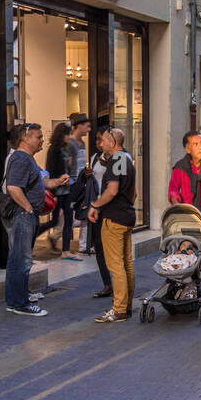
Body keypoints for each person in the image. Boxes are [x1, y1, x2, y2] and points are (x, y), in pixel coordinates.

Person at [2, 123, 69, 316]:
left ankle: (21, 296)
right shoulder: (21, 159)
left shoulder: (27, 159)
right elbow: (13, 188)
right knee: (20, 260)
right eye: (38, 137)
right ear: (25, 138)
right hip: (21, 215)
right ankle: (18, 303)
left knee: (22, 259)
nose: (42, 140)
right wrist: (28, 208)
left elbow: (41, 181)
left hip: (25, 215)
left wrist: (56, 182)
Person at [87, 128, 136, 323]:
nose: (101, 144)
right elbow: (134, 194)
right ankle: (126, 306)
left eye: (105, 140)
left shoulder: (116, 160)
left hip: (114, 218)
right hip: (127, 216)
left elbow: (112, 190)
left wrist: (95, 204)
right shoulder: (126, 159)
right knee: (126, 264)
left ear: (113, 141)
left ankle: (119, 309)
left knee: (115, 265)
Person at [168, 132, 201, 238]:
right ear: (187, 149)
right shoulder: (180, 167)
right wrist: (177, 206)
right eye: (195, 144)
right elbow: (173, 190)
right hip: (188, 213)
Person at [86, 127, 112, 299]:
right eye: (96, 140)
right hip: (96, 207)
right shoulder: (95, 157)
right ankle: (107, 284)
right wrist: (86, 174)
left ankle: (121, 285)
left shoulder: (120, 158)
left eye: (100, 139)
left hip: (111, 208)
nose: (98, 143)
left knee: (114, 249)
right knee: (100, 247)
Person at [45, 122, 78, 257]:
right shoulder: (53, 150)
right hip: (58, 190)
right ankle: (34, 234)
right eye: (67, 134)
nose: (69, 137)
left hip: (66, 190)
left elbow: (66, 168)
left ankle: (66, 250)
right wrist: (53, 190)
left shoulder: (65, 148)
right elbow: (51, 171)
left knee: (69, 220)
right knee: (54, 221)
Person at [67, 112, 91, 255]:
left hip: (81, 182)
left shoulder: (82, 143)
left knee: (84, 213)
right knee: (72, 215)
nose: (89, 130)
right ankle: (58, 233)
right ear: (79, 126)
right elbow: (68, 164)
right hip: (71, 183)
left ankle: (83, 245)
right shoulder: (70, 143)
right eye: (87, 126)